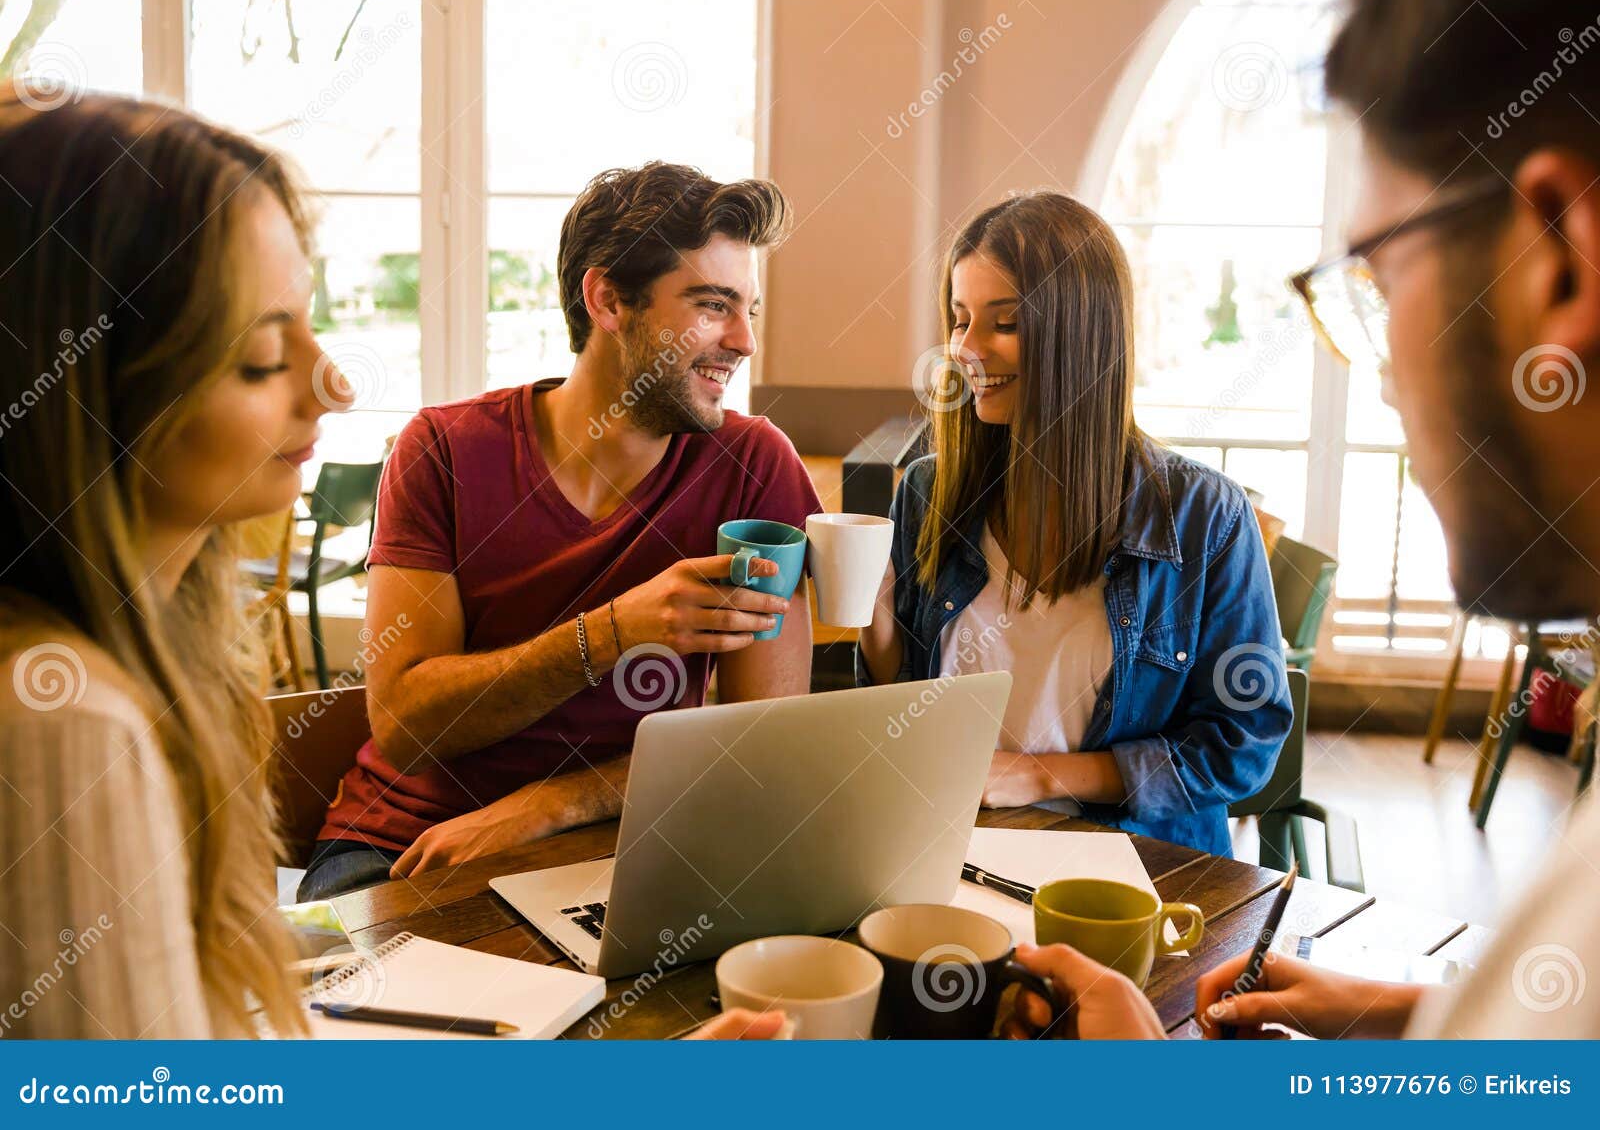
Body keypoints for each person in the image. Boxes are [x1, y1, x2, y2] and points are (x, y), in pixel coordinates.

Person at [1002, 0, 1600, 1041]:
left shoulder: (1197, 512)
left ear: (1560, 254)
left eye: (1376, 274)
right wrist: (1399, 1012)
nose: (1377, 377)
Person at [300, 163, 822, 899]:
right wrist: (611, 632)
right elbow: (404, 725)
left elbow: (756, 743)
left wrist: (551, 804)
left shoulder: (754, 464)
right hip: (405, 844)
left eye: (749, 309)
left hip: (624, 839)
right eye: (712, 304)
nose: (743, 339)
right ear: (607, 298)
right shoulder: (443, 449)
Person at [0, 89, 347, 1036]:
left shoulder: (160, 650)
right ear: (92, 390)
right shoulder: (61, 723)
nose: (337, 384)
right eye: (262, 356)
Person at [857, 191, 1290, 857]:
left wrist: (1037, 775)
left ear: (1082, 336)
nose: (965, 350)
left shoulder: (1206, 518)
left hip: (1135, 874)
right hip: (953, 849)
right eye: (959, 318)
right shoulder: (927, 491)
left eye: (1003, 322)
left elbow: (1243, 741)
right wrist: (872, 619)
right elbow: (904, 707)